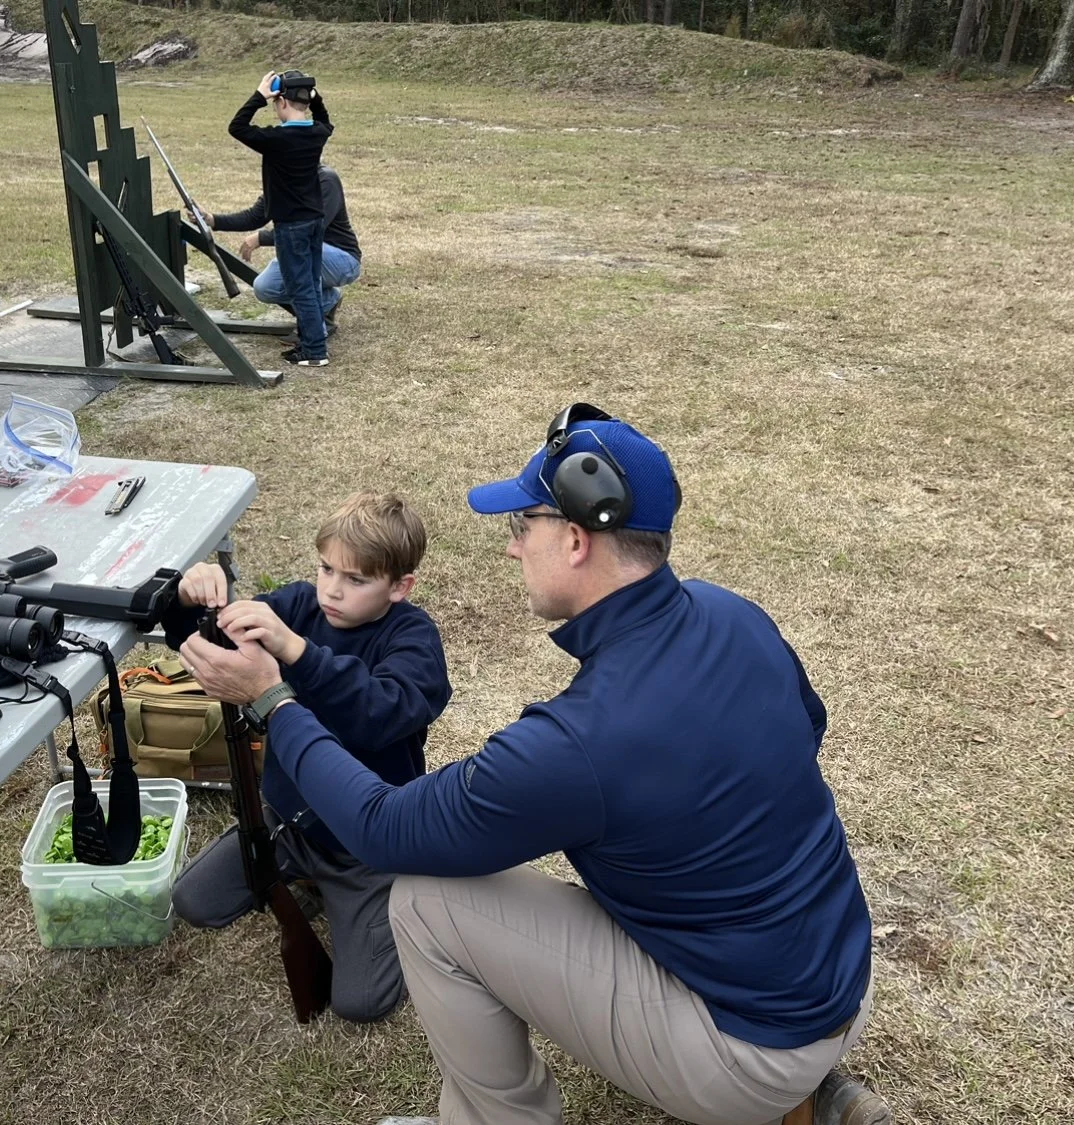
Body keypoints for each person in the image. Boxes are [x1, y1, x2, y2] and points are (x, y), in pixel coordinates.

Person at [180, 405, 889, 1125]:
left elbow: (382, 827)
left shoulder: (577, 739)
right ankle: (814, 1088)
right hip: (839, 983)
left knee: (426, 901)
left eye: (522, 528)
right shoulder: (730, 611)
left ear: (576, 539)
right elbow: (807, 728)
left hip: (742, 1052)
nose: (513, 549)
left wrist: (271, 696)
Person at [163, 490, 451, 1023]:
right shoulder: (297, 604)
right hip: (286, 822)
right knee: (193, 903)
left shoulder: (412, 637)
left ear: (400, 586)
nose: (332, 591)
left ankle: (390, 896)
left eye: (357, 579)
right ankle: (306, 882)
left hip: (367, 847)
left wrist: (295, 651)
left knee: (360, 1003)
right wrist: (186, 600)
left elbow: (381, 713)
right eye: (325, 569)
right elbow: (206, 647)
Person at [228, 69, 333, 367]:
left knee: (300, 288)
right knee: (310, 284)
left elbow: (237, 127)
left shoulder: (276, 139)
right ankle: (312, 343)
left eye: (275, 103)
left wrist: (258, 97)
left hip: (291, 226)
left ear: (283, 102)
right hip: (314, 221)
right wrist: (315, 97)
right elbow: (325, 120)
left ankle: (314, 351)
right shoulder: (316, 133)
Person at [197, 164, 362, 338]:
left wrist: (262, 238)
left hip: (342, 259)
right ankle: (328, 301)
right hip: (302, 252)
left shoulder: (326, 179)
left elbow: (310, 229)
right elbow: (254, 216)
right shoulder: (281, 180)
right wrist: (211, 219)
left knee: (298, 254)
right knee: (265, 287)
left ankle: (313, 334)